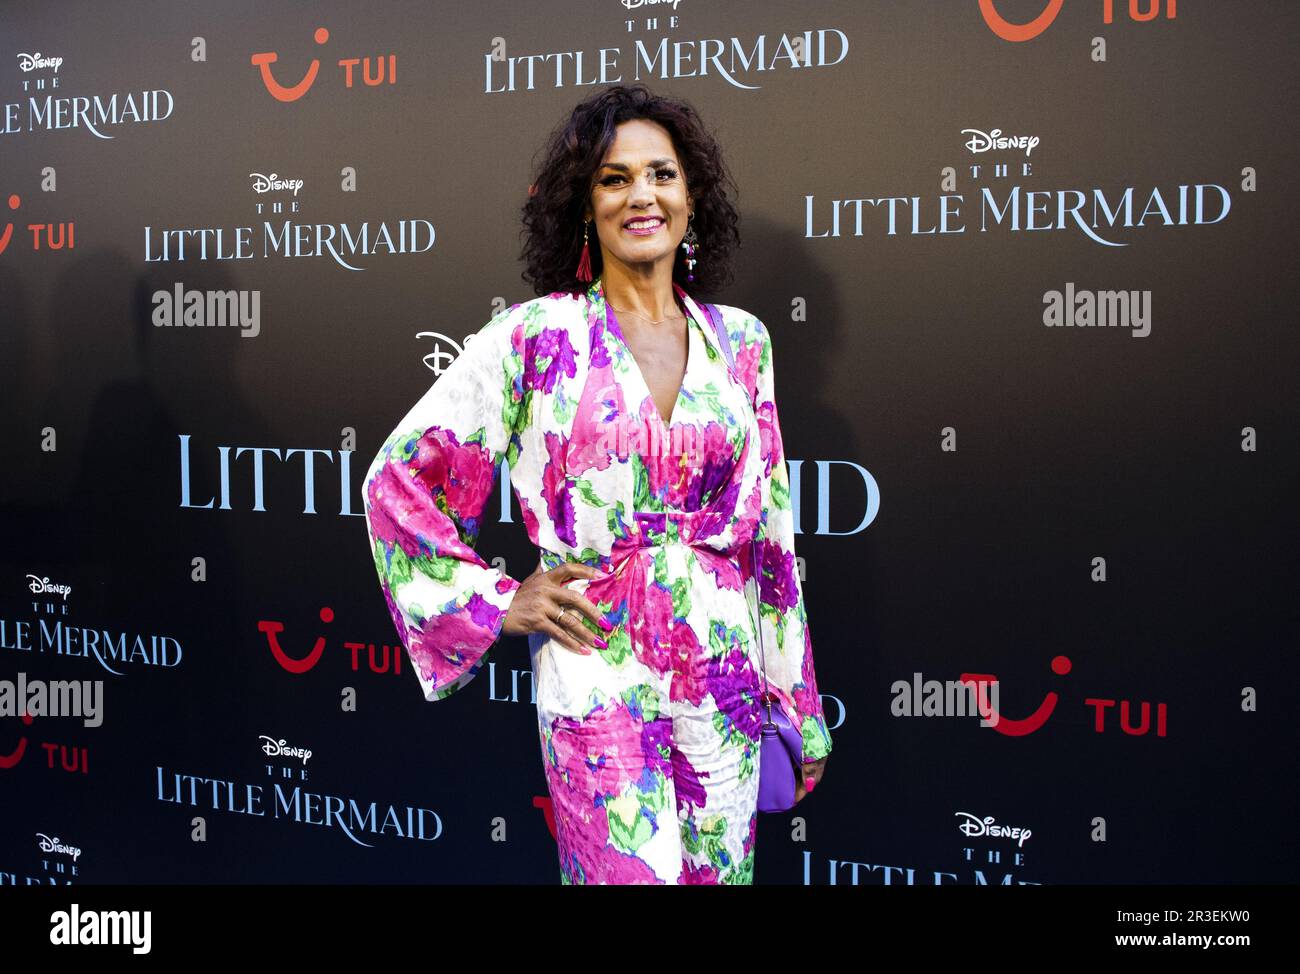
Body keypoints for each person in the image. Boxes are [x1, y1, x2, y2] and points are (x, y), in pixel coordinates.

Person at [361, 84, 831, 884]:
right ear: (585, 206)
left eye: (662, 174)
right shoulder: (536, 337)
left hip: (722, 673)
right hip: (596, 672)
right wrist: (497, 598)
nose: (641, 195)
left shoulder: (743, 343)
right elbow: (399, 479)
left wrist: (795, 699)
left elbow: (771, 541)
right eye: (614, 179)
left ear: (691, 199)